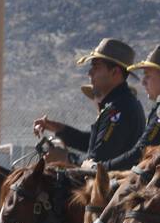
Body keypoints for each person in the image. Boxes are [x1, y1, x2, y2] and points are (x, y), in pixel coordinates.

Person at [33, 38, 145, 169]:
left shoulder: (118, 108)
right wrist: (57, 128)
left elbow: (98, 159)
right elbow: (95, 143)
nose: (89, 73)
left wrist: (66, 158)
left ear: (115, 72)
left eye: (96, 67)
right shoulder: (119, 104)